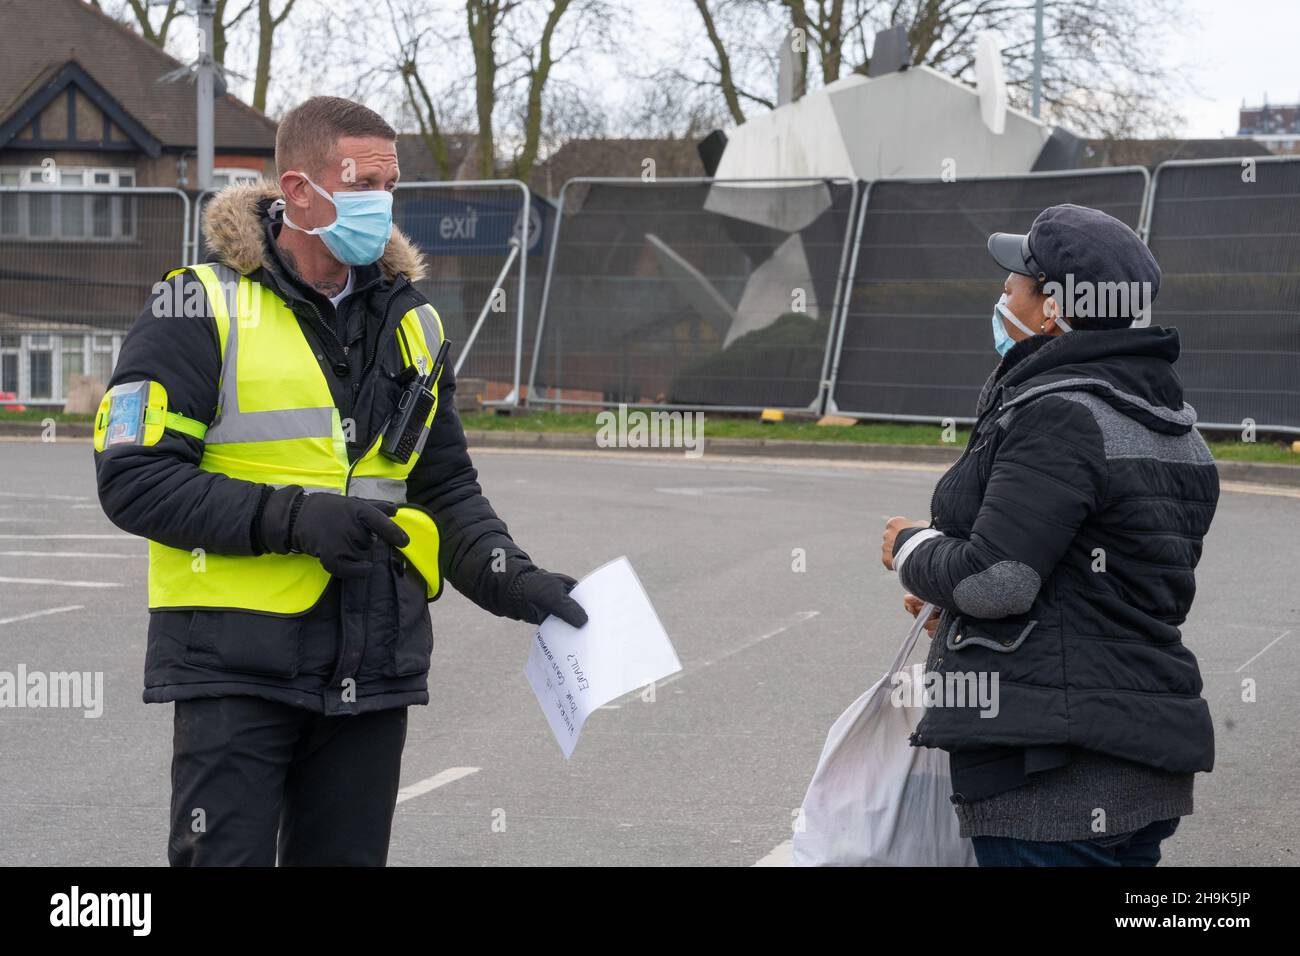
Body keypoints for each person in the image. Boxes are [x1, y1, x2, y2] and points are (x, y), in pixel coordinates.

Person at [93, 96, 588, 866]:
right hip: (235, 670)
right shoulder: (197, 304)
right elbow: (134, 478)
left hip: (373, 665)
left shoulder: (414, 321)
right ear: (296, 189)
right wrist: (294, 518)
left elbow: (443, 487)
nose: (379, 204)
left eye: (389, 186)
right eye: (362, 184)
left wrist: (511, 579)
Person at [880, 204, 1219, 867]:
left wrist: (914, 550)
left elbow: (997, 579)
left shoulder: (1060, 414)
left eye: (1012, 283)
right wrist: (954, 619)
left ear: (1050, 309)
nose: (1000, 295)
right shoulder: (1178, 429)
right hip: (1140, 761)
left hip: (1050, 779)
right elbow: (1103, 586)